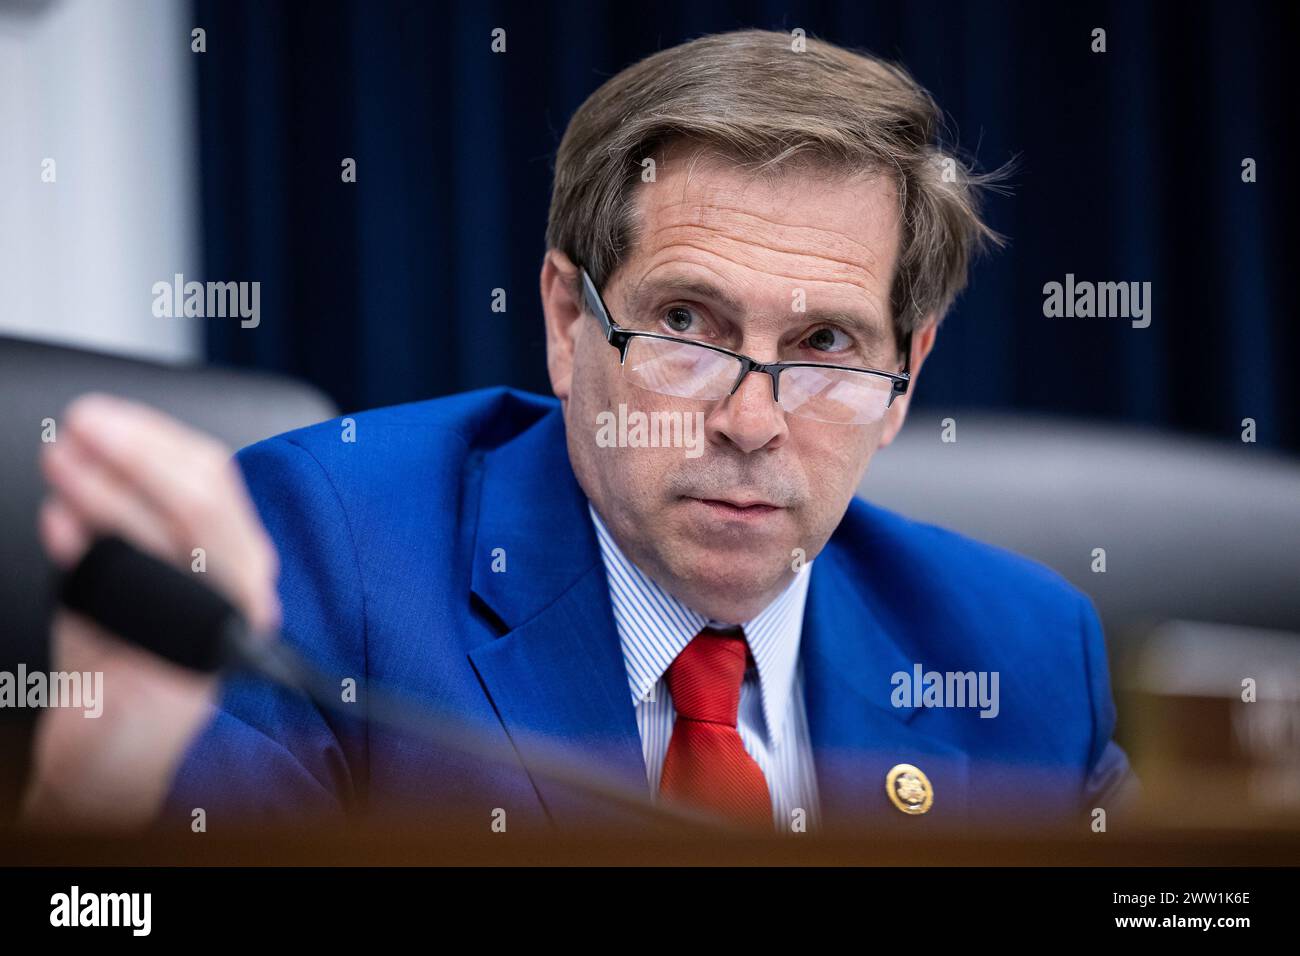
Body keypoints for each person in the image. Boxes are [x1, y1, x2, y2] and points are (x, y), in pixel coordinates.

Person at [25, 29, 1135, 835]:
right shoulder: (322, 558)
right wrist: (93, 803)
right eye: (685, 322)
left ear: (904, 380)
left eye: (827, 345)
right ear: (567, 323)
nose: (750, 420)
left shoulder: (1022, 656)